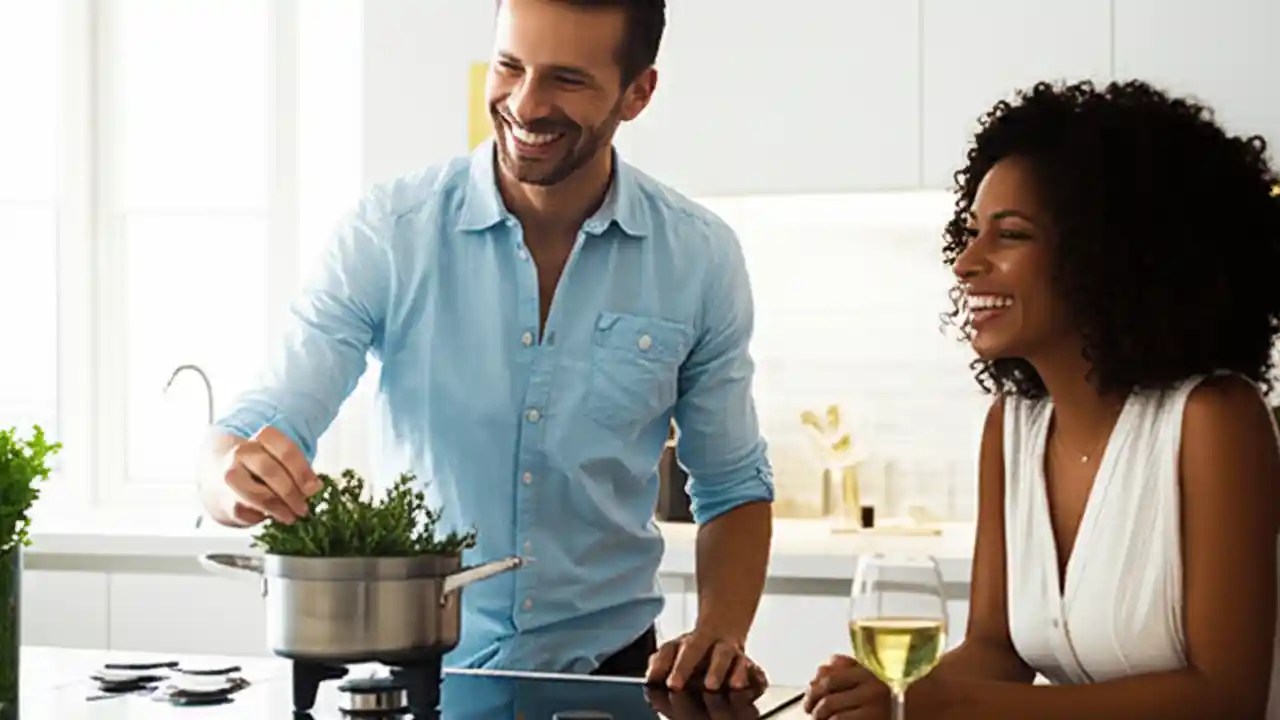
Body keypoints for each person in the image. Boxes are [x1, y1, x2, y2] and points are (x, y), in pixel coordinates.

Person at [196, 0, 774, 693]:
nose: (526, 105)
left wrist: (722, 630)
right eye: (509, 66)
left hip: (611, 679)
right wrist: (229, 478)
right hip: (419, 671)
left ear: (637, 93)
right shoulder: (391, 233)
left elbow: (732, 485)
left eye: (566, 79)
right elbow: (262, 420)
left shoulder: (698, 258)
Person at [804, 78, 1280, 719]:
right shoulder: (1014, 427)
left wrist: (950, 705)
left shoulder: (1214, 421)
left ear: (1109, 256)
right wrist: (894, 695)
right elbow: (996, 650)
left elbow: (1225, 699)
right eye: (971, 232)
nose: (966, 262)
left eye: (1011, 234)